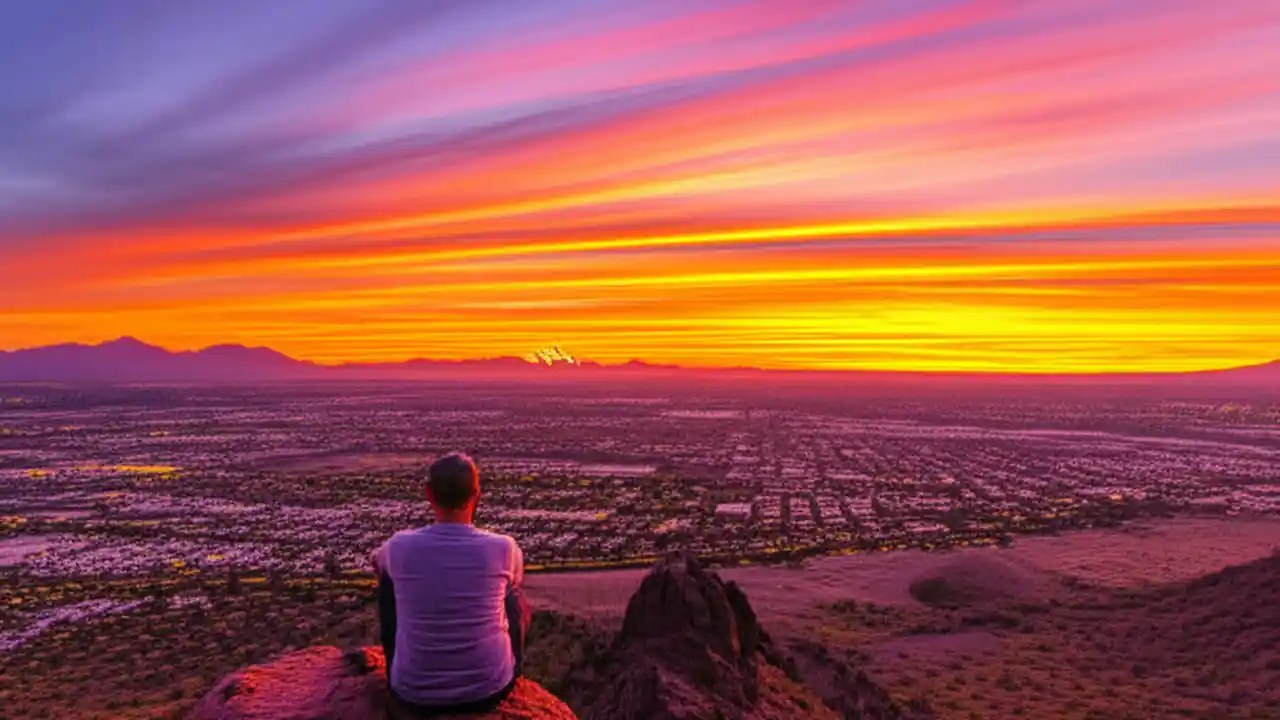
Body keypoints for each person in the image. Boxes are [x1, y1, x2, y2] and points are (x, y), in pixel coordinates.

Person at [371, 452, 529, 716]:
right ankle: (505, 661)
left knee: (389, 580)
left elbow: (376, 563)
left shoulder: (399, 546)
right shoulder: (503, 548)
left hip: (413, 694)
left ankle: (401, 661)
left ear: (429, 494)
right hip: (489, 691)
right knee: (512, 594)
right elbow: (514, 585)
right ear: (476, 494)